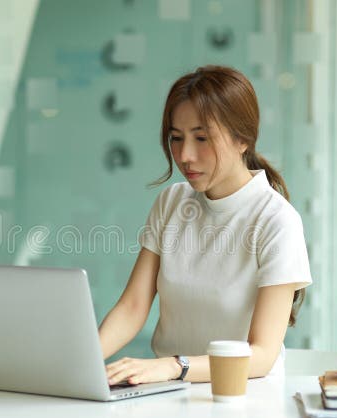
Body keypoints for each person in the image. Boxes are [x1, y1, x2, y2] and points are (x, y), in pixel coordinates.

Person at [97, 65, 312, 385]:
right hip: (169, 391)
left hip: (242, 395)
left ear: (243, 140)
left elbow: (263, 355)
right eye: (176, 138)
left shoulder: (276, 220)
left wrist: (175, 366)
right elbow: (133, 307)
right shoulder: (172, 203)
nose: (185, 155)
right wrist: (82, 363)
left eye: (202, 138)